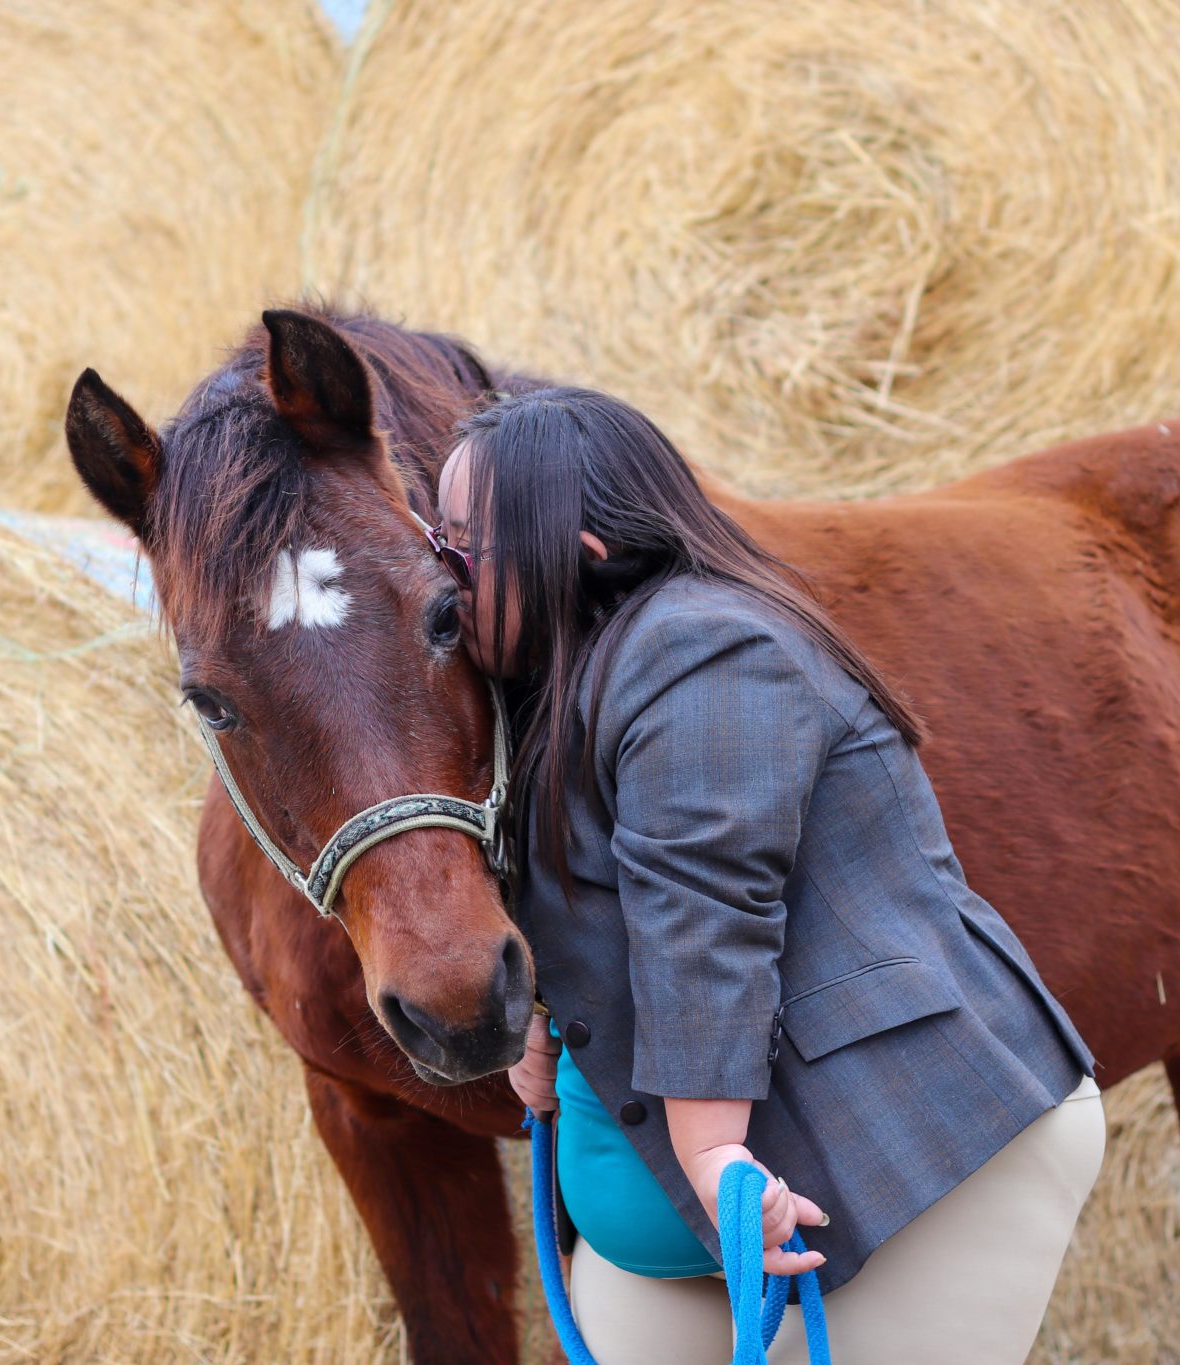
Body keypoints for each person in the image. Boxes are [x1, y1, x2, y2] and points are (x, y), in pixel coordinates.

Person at [431, 386, 1106, 1363]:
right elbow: (580, 897)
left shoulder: (699, 647)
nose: (440, 580)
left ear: (577, 555)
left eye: (461, 551)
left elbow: (704, 917)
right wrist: (540, 1022)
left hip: (910, 1167)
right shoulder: (550, 681)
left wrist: (710, 1158)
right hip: (686, 1226)